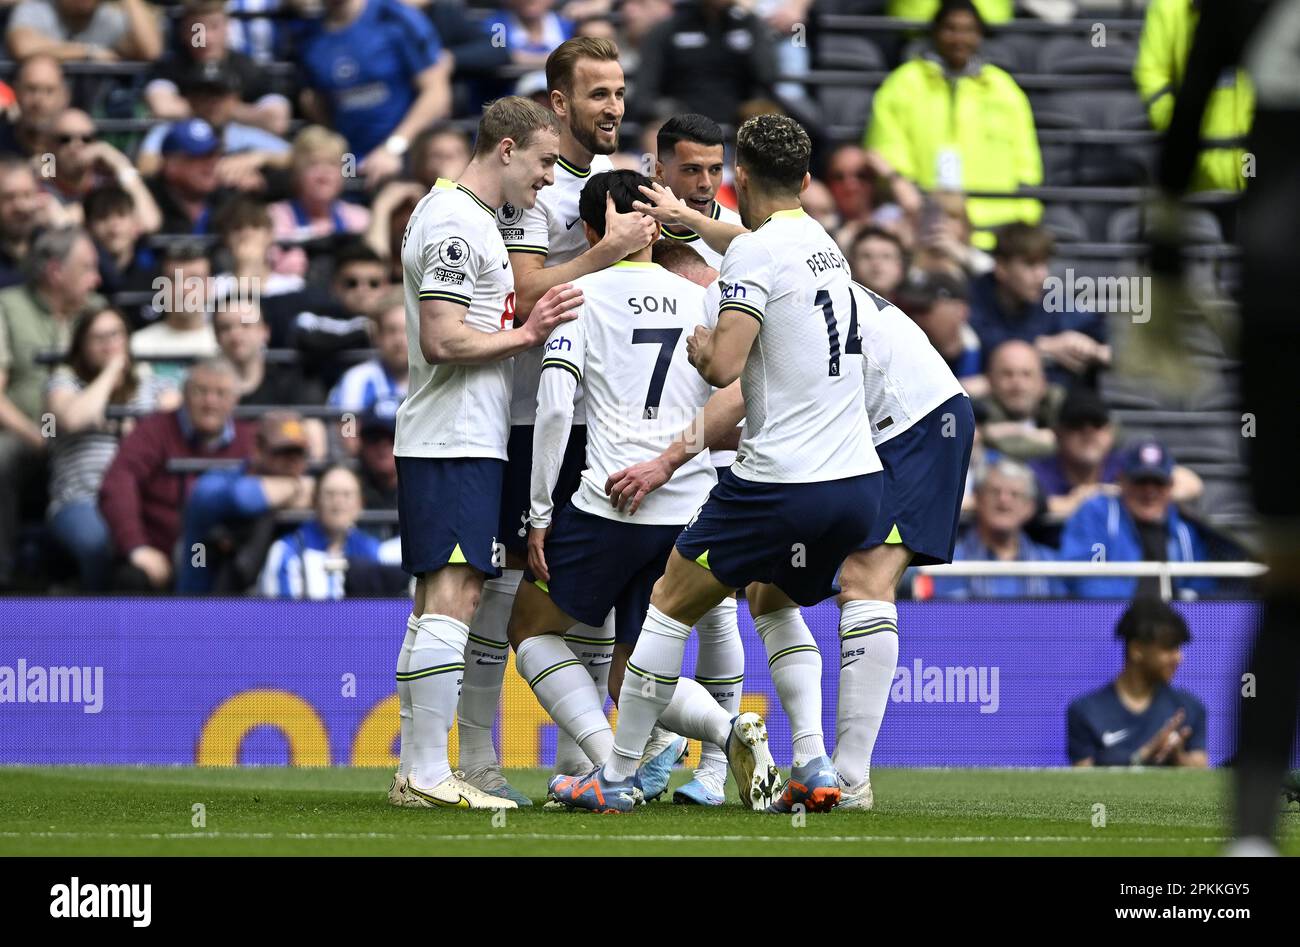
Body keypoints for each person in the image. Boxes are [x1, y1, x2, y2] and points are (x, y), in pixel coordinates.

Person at [551, 114, 883, 815]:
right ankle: (816, 762)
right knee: (772, 600)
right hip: (856, 481)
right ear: (805, 181)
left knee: (669, 606)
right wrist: (687, 219)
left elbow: (724, 364)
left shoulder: (756, 257)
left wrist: (702, 348)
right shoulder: (823, 244)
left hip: (780, 482)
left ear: (738, 179)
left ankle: (614, 777)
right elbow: (751, 246)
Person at [507, 168, 738, 809]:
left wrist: (539, 513)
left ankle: (609, 767)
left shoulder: (580, 294)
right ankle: (732, 730)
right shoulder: (701, 296)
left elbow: (555, 409)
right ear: (656, 224)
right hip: (689, 506)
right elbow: (735, 396)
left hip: (611, 503)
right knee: (633, 668)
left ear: (589, 229)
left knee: (527, 626)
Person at [388, 96, 580, 810]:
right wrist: (528, 334)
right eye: (541, 162)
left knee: (443, 595)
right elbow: (442, 339)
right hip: (452, 432)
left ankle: (419, 768)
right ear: (506, 150)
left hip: (463, 433)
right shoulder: (456, 227)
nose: (546, 179)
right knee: (455, 592)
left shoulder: (467, 221)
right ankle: (429, 772)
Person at [489, 37, 658, 787]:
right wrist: (608, 249)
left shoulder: (633, 182)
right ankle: (474, 759)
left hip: (617, 419)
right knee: (508, 590)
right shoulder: (537, 184)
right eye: (598, 94)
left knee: (591, 603)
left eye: (619, 92)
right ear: (559, 103)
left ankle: (582, 766)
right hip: (535, 412)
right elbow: (524, 295)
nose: (615, 107)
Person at [865, 0, 1040, 249]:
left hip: (996, 231)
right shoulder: (903, 83)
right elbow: (887, 148)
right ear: (935, 32)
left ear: (980, 35)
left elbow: (1027, 165)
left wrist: (1023, 218)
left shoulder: (1003, 88)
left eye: (969, 30)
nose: (959, 38)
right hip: (926, 229)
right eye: (951, 28)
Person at [44, 307, 180, 592]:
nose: (109, 343)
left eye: (116, 334)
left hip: (143, 499)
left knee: (188, 544)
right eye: (98, 337)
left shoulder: (155, 386)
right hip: (82, 499)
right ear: (81, 346)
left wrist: (142, 432)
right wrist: (111, 370)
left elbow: (175, 429)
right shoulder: (63, 383)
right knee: (100, 542)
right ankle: (99, 621)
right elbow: (73, 418)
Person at [0, 226, 104, 589]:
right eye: (87, 268)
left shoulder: (98, 311)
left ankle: (117, 584)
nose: (98, 277)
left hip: (89, 434)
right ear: (56, 272)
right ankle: (4, 575)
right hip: (26, 433)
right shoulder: (8, 304)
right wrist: (39, 438)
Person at [97, 357, 256, 592]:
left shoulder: (250, 438)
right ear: (184, 394)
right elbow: (119, 481)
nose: (210, 402)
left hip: (222, 557)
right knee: (129, 581)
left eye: (220, 393)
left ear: (235, 400)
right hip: (159, 553)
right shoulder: (154, 429)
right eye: (200, 391)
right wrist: (136, 547)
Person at [296, 0, 452, 186]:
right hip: (349, 165)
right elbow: (313, 100)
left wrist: (393, 147)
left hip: (407, 158)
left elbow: (437, 93)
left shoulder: (395, 17)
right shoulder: (310, 37)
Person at [175, 410, 316, 594]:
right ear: (258, 449)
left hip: (285, 609)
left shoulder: (311, 489)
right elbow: (240, 499)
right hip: (205, 607)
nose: (292, 462)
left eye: (299, 454)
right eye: (283, 452)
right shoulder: (219, 482)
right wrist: (293, 488)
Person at [1059, 439, 1212, 600]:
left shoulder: (1184, 530)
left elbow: (1200, 587)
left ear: (1170, 487)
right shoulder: (1097, 514)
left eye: (1158, 482)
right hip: (1110, 619)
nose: (1149, 491)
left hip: (1170, 621)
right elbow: (1085, 578)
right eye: (1141, 481)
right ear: (1122, 481)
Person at [1067, 599, 1208, 767]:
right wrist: (1144, 755)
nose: (1178, 657)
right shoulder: (1085, 711)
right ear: (1136, 650)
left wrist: (1178, 757)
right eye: (1168, 648)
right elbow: (1082, 775)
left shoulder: (1189, 707)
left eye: (1178, 649)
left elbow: (1201, 766)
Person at [967, 223, 1110, 387]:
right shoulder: (973, 297)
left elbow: (1097, 328)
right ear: (1001, 268)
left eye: (1045, 265)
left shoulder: (1048, 298)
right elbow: (986, 343)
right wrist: (1044, 346)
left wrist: (1091, 348)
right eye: (1030, 265)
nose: (1042, 275)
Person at [1133, 0, 1253, 194]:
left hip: (1254, 163)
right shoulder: (1167, 6)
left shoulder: (1266, 9)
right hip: (1193, 166)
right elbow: (1151, 73)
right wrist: (1176, 125)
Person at [145, 0, 289, 137]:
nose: (206, 38)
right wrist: (223, 109)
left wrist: (226, 109)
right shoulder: (172, 67)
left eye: (214, 26)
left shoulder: (247, 68)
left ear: (227, 27)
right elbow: (162, 107)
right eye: (197, 29)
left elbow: (276, 120)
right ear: (184, 31)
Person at [136, 61, 292, 185]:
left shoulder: (242, 133)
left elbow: (296, 158)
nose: (211, 102)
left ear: (233, 99)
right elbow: (146, 167)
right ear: (189, 99)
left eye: (219, 94)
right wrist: (203, 169)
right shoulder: (172, 130)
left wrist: (259, 158)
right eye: (203, 94)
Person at [930, 459, 1065, 599]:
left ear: (1029, 507)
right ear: (977, 498)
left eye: (1015, 494)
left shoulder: (1051, 563)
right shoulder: (944, 562)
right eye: (995, 491)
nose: (1004, 500)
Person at [633, 0, 777, 127]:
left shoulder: (748, 26)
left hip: (737, 126)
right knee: (655, 128)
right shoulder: (669, 29)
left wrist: (751, 18)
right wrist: (669, 113)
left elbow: (767, 76)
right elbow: (645, 94)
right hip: (682, 126)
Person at [259, 464, 394, 598]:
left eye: (347, 495)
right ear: (315, 501)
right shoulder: (286, 551)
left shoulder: (372, 551)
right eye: (330, 494)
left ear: (360, 504)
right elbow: (279, 614)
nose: (338, 502)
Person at [41, 109, 163, 233]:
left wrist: (121, 164)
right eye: (64, 139)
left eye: (86, 139)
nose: (76, 145)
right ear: (49, 145)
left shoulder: (108, 182)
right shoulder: (38, 183)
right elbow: (60, 223)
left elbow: (149, 222)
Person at [129, 241, 218, 384]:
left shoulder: (224, 345)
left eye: (194, 279)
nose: (184, 289)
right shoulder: (137, 345)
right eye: (174, 280)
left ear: (210, 286)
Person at [266, 126, 370, 244]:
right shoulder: (274, 218)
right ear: (297, 172)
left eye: (332, 164)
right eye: (314, 164)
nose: (324, 173)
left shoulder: (360, 221)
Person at [895, 269, 985, 394]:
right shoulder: (900, 349)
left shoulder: (987, 355)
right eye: (911, 310)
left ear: (961, 311)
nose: (915, 317)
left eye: (924, 310)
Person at [974, 339, 1064, 461]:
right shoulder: (975, 413)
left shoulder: (1062, 406)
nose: (1018, 384)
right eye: (1007, 374)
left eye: (1026, 374)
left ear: (1043, 382)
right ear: (990, 381)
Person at [327, 288, 408, 416]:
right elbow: (348, 432)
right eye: (391, 331)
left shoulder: (434, 379)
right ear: (377, 336)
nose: (399, 340)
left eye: (407, 331)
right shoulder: (357, 379)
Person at [5, 0, 163, 63]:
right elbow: (23, 47)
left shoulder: (107, 17)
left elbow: (151, 50)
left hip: (94, 118)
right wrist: (88, 52)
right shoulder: (37, 9)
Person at [83, 185, 160, 303]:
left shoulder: (156, 272)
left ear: (136, 224)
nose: (113, 225)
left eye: (121, 215)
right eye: (103, 217)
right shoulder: (82, 278)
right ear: (88, 227)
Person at [0, 55, 70, 160]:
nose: (39, 100)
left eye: (49, 91)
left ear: (64, 97)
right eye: (31, 89)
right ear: (17, 91)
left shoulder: (75, 146)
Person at [847, 226, 907, 302]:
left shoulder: (918, 309)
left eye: (886, 256)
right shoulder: (837, 308)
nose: (876, 263)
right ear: (852, 264)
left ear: (900, 265)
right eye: (867, 256)